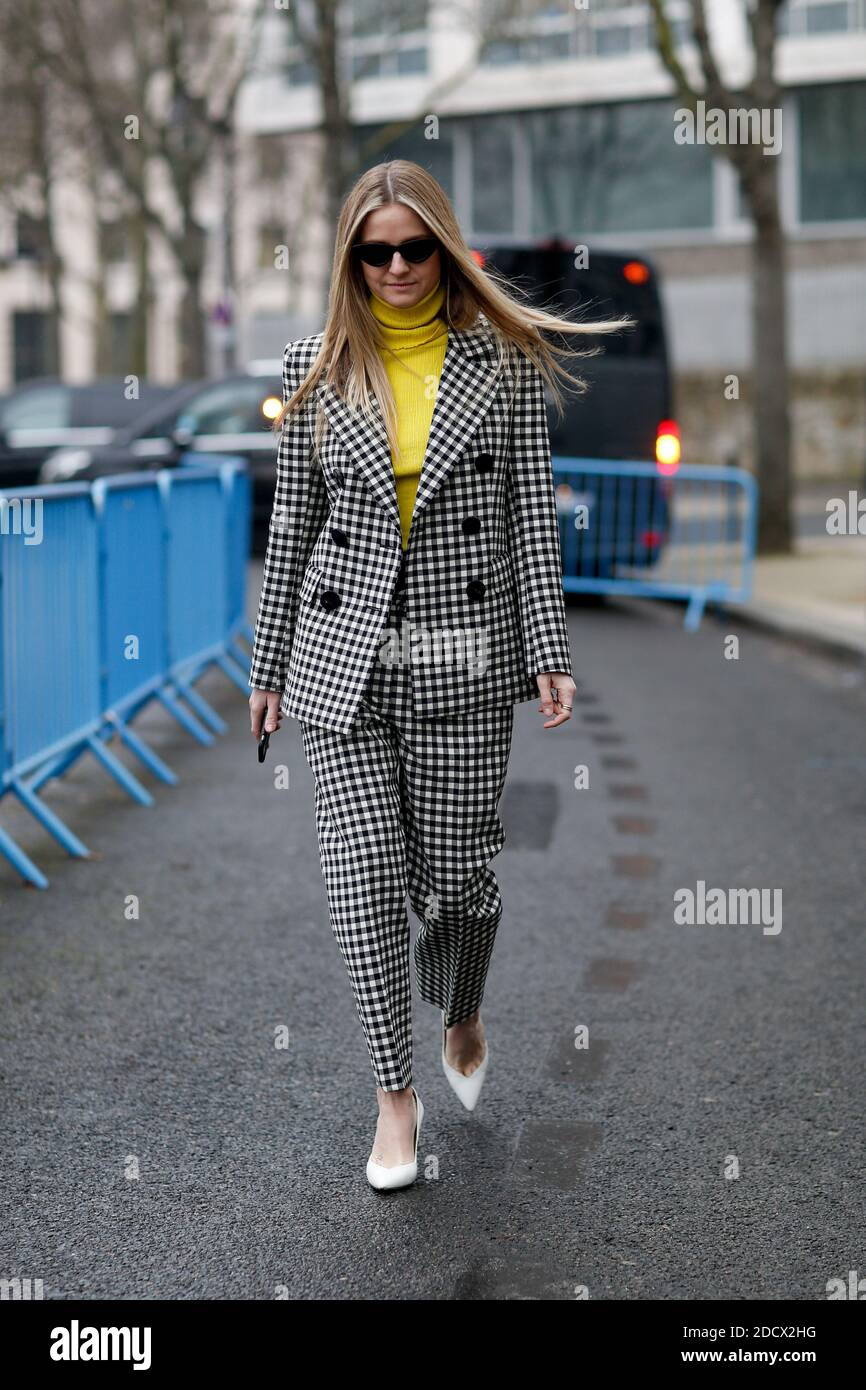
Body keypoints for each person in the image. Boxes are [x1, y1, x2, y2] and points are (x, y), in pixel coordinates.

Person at [249, 159, 628, 1191]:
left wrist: (546, 650)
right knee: (363, 880)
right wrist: (267, 664)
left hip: (462, 655)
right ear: (349, 258)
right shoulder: (313, 365)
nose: (397, 267)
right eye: (374, 251)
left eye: (415, 247)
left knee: (454, 881)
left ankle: (460, 1012)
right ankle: (393, 1099)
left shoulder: (497, 363)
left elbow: (526, 522)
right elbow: (292, 527)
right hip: (344, 655)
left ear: (445, 248)